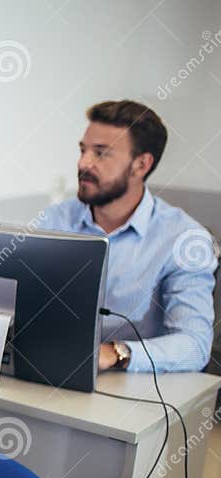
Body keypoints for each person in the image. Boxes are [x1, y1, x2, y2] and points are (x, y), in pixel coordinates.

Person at [41, 100, 216, 372]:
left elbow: (195, 345)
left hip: (134, 392)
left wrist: (116, 353)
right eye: (83, 150)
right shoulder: (55, 220)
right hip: (51, 369)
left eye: (101, 153)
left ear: (141, 165)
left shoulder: (184, 238)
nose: (83, 163)